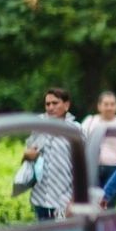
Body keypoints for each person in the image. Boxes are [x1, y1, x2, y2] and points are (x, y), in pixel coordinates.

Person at [22, 86, 78, 220]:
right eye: (47, 104)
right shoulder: (39, 126)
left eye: (55, 103)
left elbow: (84, 168)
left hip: (65, 200)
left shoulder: (76, 130)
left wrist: (75, 200)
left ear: (66, 105)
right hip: (40, 198)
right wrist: (27, 155)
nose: (50, 107)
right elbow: (27, 154)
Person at [86, 91, 116, 193]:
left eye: (112, 104)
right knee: (93, 200)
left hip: (114, 167)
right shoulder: (89, 121)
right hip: (93, 167)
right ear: (99, 106)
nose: (109, 107)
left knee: (109, 201)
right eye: (106, 104)